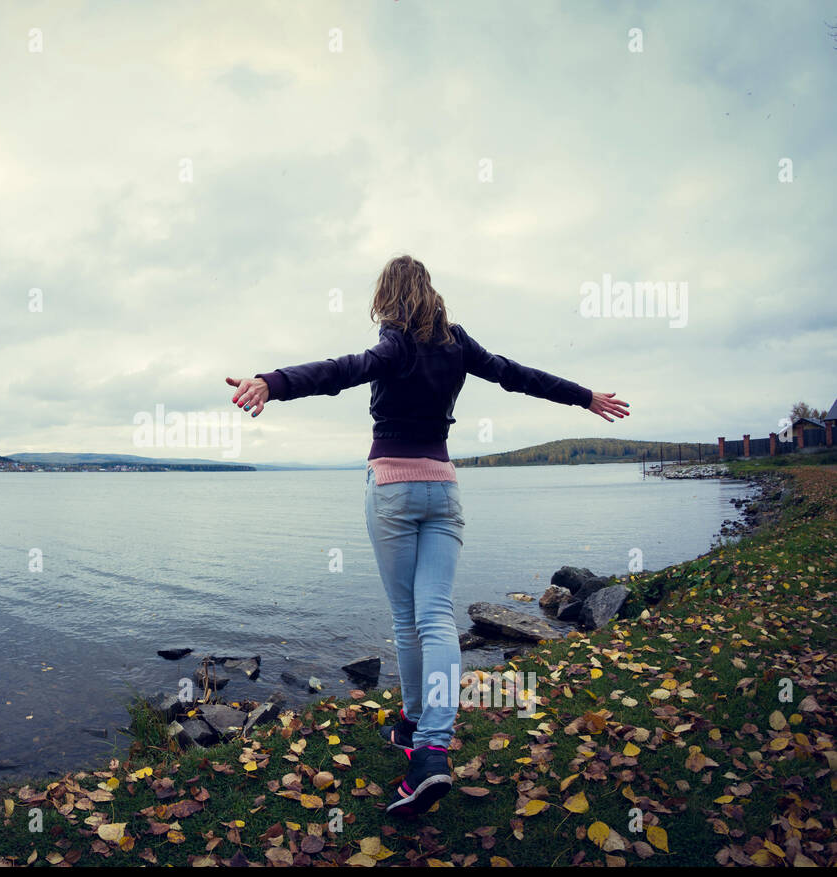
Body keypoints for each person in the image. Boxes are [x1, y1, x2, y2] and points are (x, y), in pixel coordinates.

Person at [226, 255, 629, 816]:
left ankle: (426, 744)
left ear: (388, 297)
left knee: (406, 617)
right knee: (435, 616)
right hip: (443, 490)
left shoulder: (394, 345)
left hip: (391, 488)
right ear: (430, 292)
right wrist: (584, 396)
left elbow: (339, 371)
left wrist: (271, 382)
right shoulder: (458, 343)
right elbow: (518, 375)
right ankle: (423, 737)